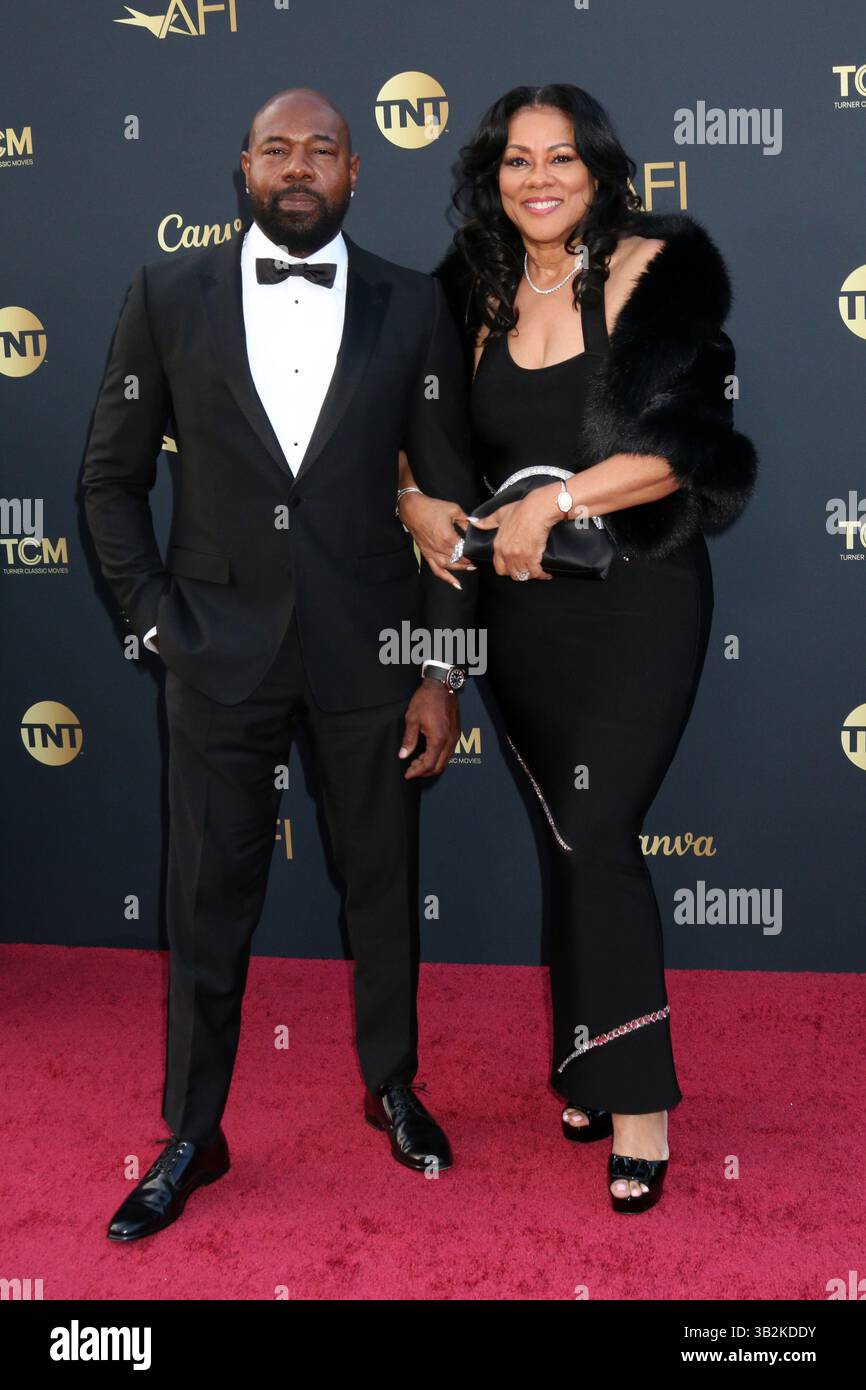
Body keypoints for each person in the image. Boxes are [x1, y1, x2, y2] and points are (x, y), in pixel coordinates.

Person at [81, 87, 480, 1242]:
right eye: (274, 149)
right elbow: (108, 480)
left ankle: (392, 1085)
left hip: (372, 654)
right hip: (217, 655)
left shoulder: (413, 305)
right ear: (240, 169)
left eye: (319, 150)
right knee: (206, 901)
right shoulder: (167, 295)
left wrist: (441, 671)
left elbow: (449, 508)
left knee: (382, 888)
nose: (295, 167)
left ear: (356, 170)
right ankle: (193, 1135)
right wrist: (155, 621)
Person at [396, 84, 758, 1212]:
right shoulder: (468, 287)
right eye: (516, 159)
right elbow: (424, 438)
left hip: (638, 596)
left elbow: (683, 447)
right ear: (489, 173)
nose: (536, 177)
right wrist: (410, 498)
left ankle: (637, 1100)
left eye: (560, 158)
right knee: (565, 838)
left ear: (598, 171)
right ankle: (589, 1064)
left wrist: (551, 506)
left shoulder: (657, 268)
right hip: (518, 619)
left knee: (597, 827)